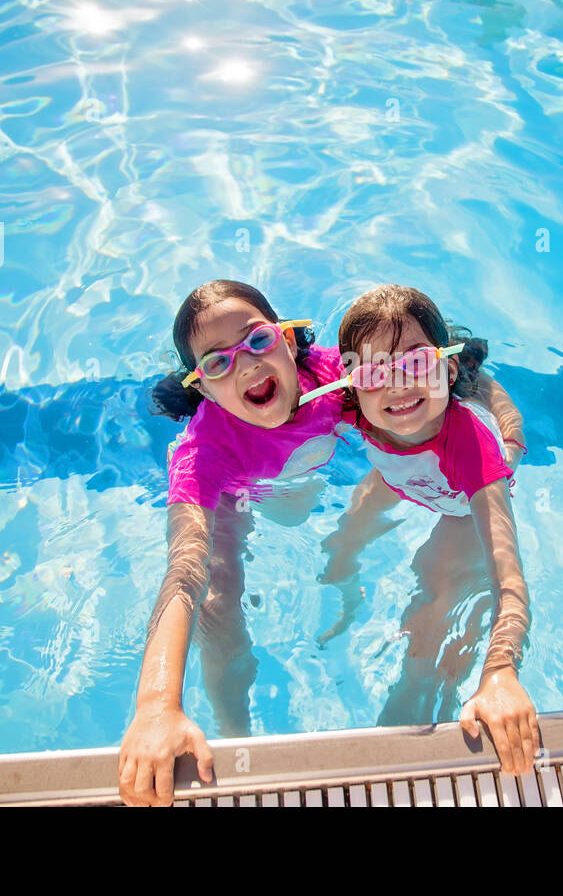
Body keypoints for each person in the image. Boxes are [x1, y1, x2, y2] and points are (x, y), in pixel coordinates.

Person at [118, 279, 528, 806]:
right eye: (218, 363)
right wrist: (155, 706)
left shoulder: (350, 376)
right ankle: (232, 742)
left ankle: (399, 750)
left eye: (258, 341)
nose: (245, 366)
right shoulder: (204, 456)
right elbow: (182, 572)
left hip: (358, 478)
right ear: (200, 385)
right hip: (237, 490)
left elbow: (456, 370)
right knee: (217, 602)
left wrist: (511, 432)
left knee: (387, 569)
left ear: (289, 341)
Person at [312, 284, 537, 775]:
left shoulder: (475, 453)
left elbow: (510, 583)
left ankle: (412, 704)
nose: (395, 385)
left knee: (432, 599)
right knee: (342, 543)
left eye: (416, 363)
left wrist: (501, 672)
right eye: (373, 372)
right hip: (400, 469)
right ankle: (343, 608)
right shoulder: (354, 402)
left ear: (448, 369)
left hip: (458, 495)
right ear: (351, 385)